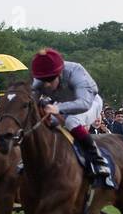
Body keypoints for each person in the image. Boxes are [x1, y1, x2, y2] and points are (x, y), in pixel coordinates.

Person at [29, 47, 113, 187]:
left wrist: (58, 108)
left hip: (90, 102)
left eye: (50, 79)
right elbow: (31, 103)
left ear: (59, 73)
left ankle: (97, 159)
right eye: (43, 80)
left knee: (72, 120)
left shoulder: (76, 72)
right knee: (44, 123)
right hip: (63, 103)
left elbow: (84, 103)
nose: (47, 84)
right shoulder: (39, 81)